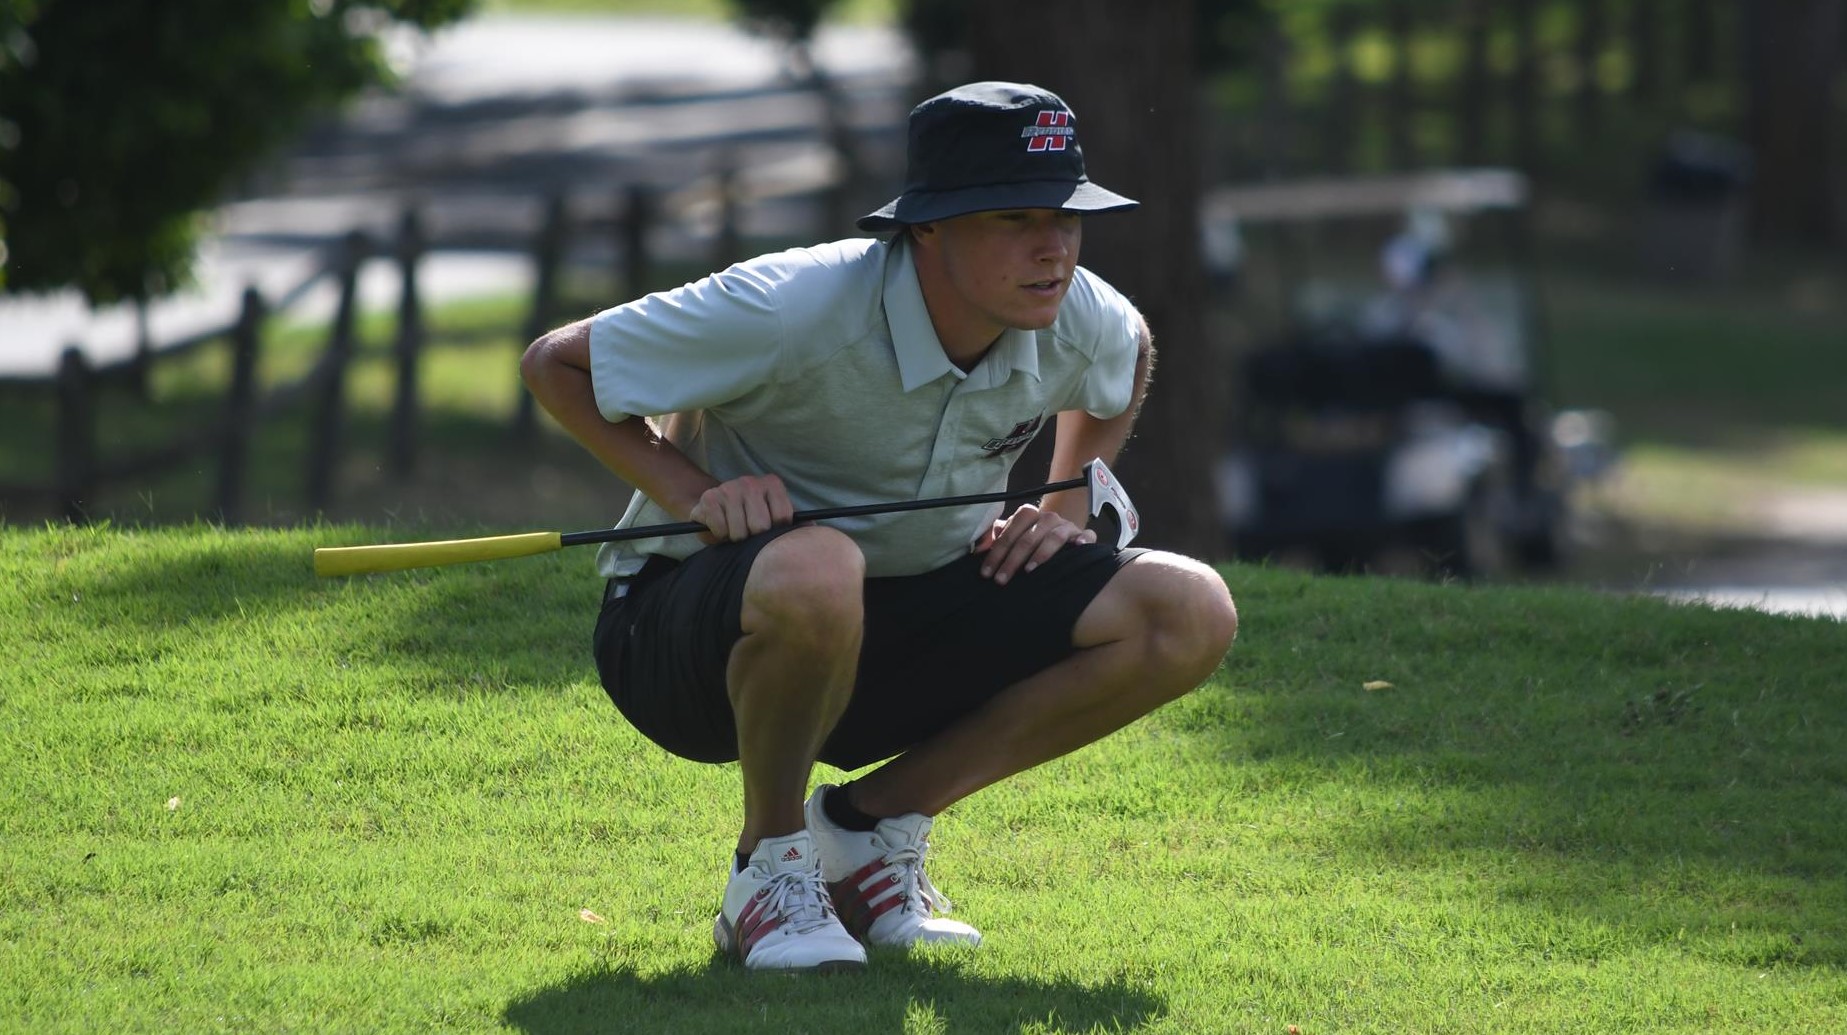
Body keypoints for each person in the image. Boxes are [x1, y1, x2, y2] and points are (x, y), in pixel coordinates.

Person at [521, 81, 1239, 972]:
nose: (1052, 248)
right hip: (685, 640)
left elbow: (1127, 359)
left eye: (1066, 218)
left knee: (1189, 608)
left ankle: (866, 833)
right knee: (820, 562)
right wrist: (694, 491)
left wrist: (1062, 504)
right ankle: (769, 871)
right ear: (927, 226)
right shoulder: (792, 304)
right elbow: (558, 363)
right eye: (1013, 218)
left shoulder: (1077, 312)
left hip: (907, 622)